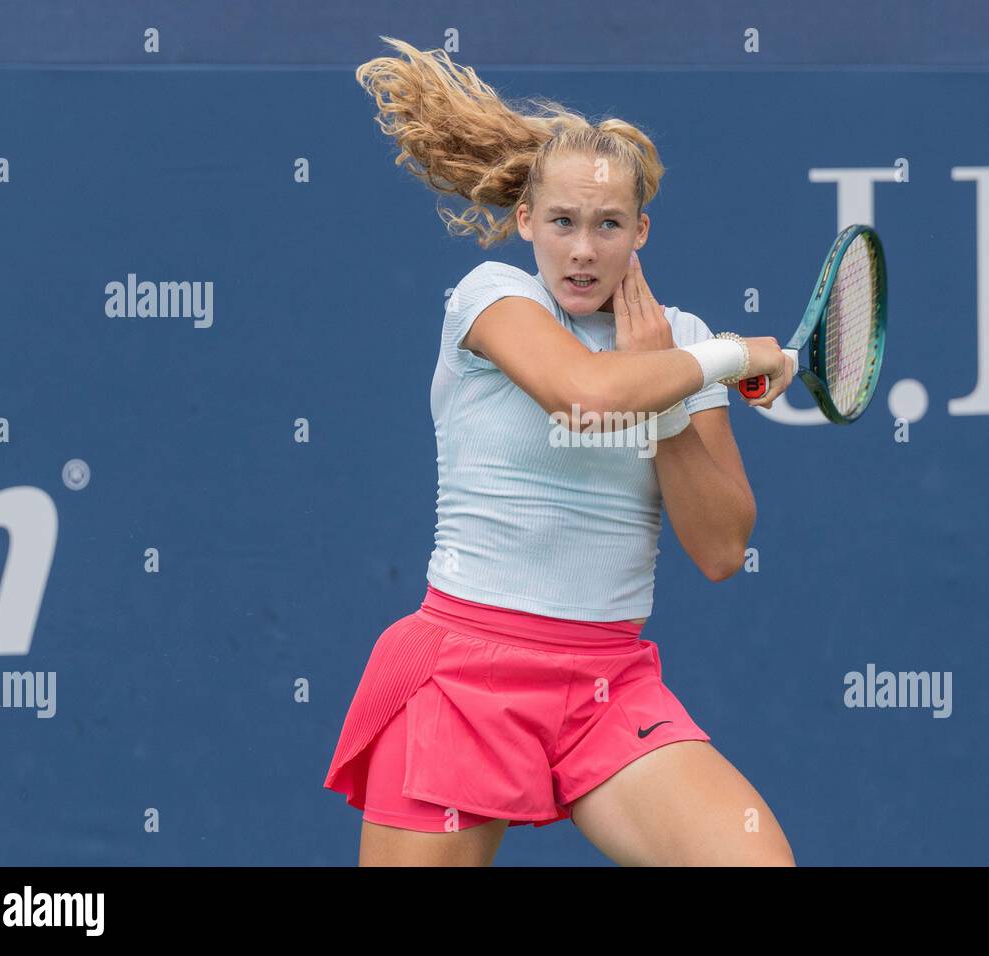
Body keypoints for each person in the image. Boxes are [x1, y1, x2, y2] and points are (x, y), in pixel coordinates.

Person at [324, 37, 796, 866]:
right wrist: (737, 354)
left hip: (608, 688)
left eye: (609, 225)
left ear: (640, 229)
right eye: (564, 223)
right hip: (464, 672)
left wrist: (675, 396)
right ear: (526, 223)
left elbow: (722, 550)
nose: (583, 249)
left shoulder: (679, 343)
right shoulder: (492, 297)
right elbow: (585, 397)